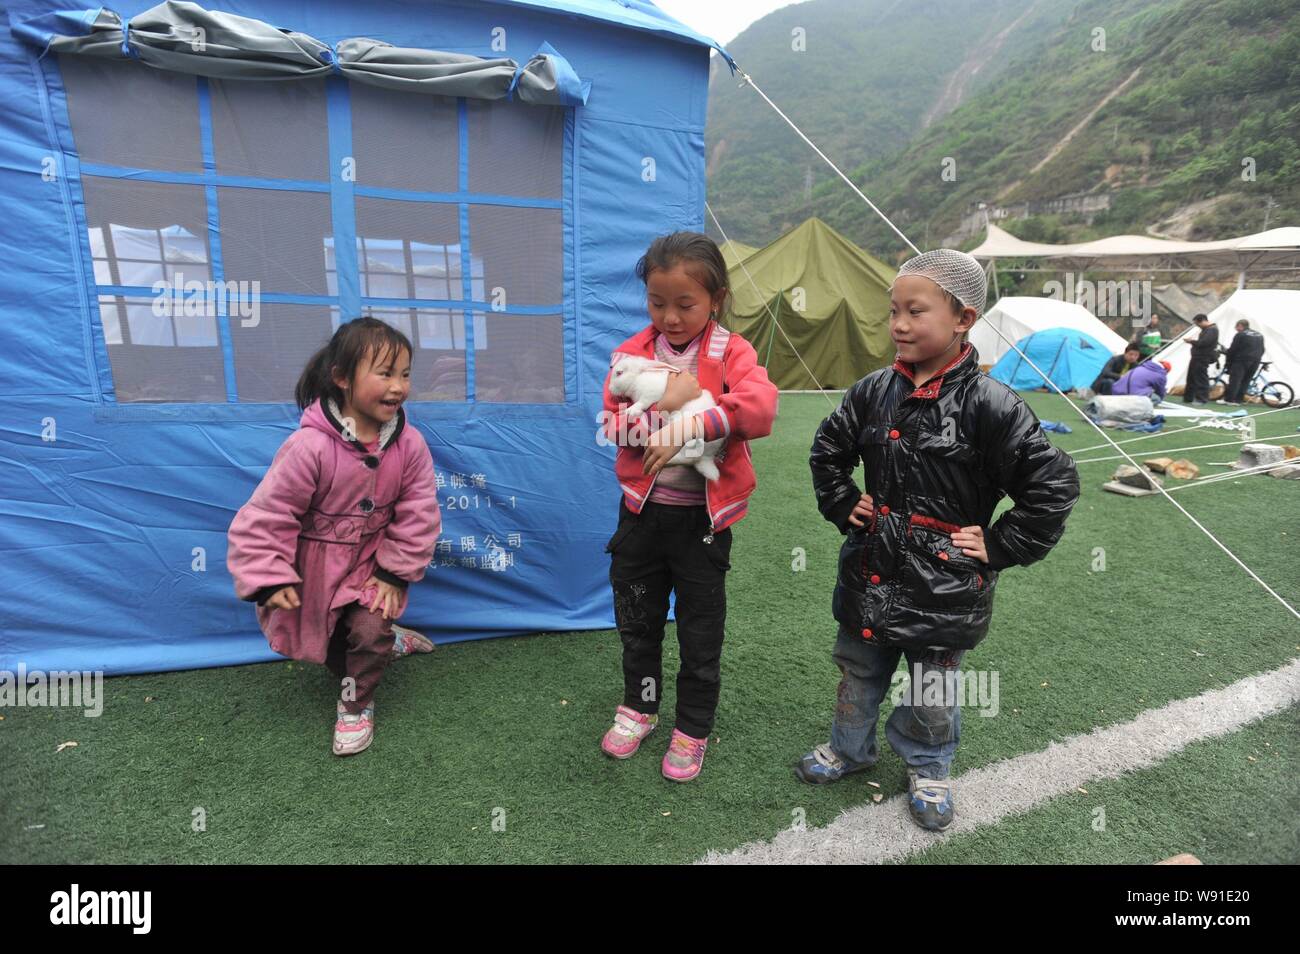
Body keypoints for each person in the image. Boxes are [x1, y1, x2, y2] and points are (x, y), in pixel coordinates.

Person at [796, 248, 1080, 832]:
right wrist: (845, 503)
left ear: (963, 319)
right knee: (857, 665)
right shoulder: (872, 390)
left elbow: (1052, 484)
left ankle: (928, 766)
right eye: (893, 310)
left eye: (914, 311)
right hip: (871, 567)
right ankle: (849, 750)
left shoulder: (991, 405)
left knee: (932, 685)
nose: (898, 323)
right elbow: (829, 451)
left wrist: (1001, 546)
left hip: (946, 583)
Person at [598, 231, 778, 782]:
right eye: (658, 303)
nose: (671, 317)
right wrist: (663, 411)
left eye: (686, 304)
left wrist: (692, 420)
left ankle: (693, 727)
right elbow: (609, 426)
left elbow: (761, 410)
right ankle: (640, 707)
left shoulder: (733, 352)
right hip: (641, 517)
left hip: (702, 522)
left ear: (716, 298)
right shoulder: (631, 354)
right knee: (639, 618)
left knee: (701, 629)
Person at [227, 317, 440, 756]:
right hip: (315, 573)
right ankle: (387, 645)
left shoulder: (410, 444)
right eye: (384, 373)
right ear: (342, 378)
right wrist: (269, 576)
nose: (398, 386)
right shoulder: (310, 447)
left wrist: (393, 572)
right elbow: (270, 513)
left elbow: (419, 512)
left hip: (369, 571)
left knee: (367, 632)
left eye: (405, 374)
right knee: (329, 648)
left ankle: (355, 704)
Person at [1218, 319, 1266, 404]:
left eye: (1236, 327)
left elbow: (1233, 349)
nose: (1236, 329)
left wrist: (1226, 353)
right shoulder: (1259, 335)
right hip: (1255, 361)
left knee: (1235, 380)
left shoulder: (1240, 335)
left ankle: (1229, 400)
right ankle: (1238, 400)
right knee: (1246, 380)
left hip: (1242, 360)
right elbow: (1262, 349)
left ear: (1240, 325)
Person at [1183, 313, 1219, 404]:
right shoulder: (1206, 330)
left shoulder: (1212, 330)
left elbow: (1204, 343)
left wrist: (1192, 341)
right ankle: (1188, 397)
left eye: (1198, 324)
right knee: (1191, 377)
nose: (1197, 326)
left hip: (1203, 357)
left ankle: (1201, 399)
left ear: (1203, 321)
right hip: (1197, 357)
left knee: (1200, 378)